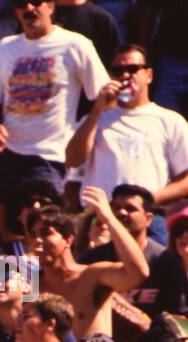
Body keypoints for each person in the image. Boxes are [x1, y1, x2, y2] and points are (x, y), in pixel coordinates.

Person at [0, 0, 108, 233]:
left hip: (50, 155)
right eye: (23, 4)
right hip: (8, 152)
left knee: (45, 229)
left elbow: (101, 96)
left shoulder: (75, 44)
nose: (29, 8)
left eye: (35, 2)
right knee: (6, 232)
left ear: (50, 6)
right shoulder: (6, 46)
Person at [67, 44, 188, 214]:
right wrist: (98, 109)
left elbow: (185, 180)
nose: (125, 75)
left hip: (146, 215)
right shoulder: (96, 120)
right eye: (118, 71)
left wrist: (149, 199)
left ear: (149, 75)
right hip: (101, 217)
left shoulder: (170, 121)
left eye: (132, 69)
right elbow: (73, 160)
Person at [25, 193, 148, 338]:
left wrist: (109, 218)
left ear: (68, 239)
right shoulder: (30, 286)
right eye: (33, 235)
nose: (38, 240)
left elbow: (138, 273)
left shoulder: (92, 277)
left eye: (46, 233)